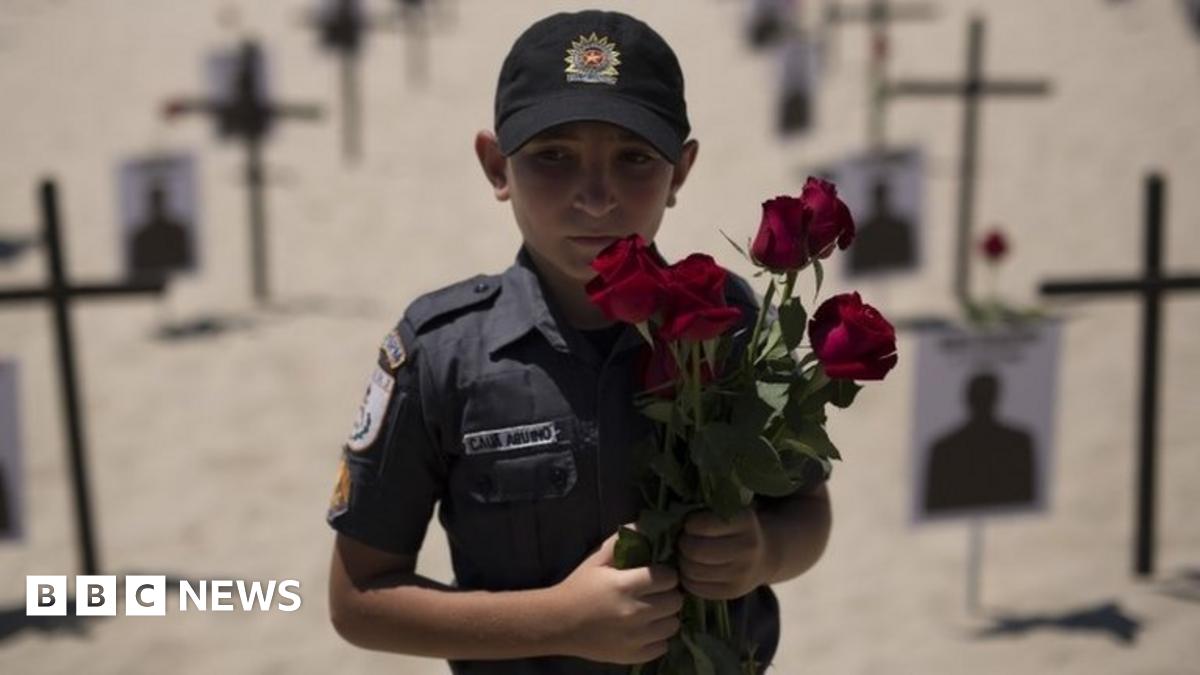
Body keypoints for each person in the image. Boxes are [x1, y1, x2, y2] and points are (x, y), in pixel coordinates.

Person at [325, 10, 832, 674]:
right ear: (495, 165)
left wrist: (762, 551)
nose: (596, 197)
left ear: (680, 171)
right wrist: (562, 620)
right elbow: (359, 597)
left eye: (634, 158)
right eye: (553, 157)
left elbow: (807, 510)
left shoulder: (726, 318)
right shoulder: (442, 355)